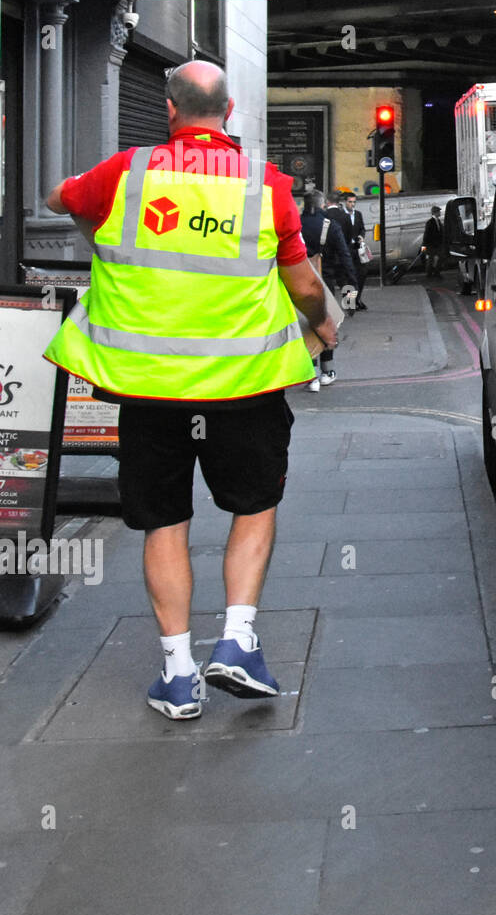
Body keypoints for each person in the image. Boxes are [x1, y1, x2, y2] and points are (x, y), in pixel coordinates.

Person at [43, 61, 336, 721]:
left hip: (152, 393)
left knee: (165, 522)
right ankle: (236, 641)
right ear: (227, 112)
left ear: (169, 111)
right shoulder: (267, 187)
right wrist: (325, 328)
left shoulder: (125, 174)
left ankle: (179, 678)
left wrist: (79, 206)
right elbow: (304, 287)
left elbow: (64, 200)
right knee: (254, 506)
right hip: (245, 389)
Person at [300, 191, 357, 390]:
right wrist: (351, 294)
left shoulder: (295, 225)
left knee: (306, 326)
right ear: (323, 205)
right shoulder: (330, 226)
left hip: (299, 283)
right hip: (325, 282)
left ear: (304, 205)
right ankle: (327, 371)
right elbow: (345, 258)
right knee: (326, 324)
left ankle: (311, 374)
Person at [339, 191, 369, 309]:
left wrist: (361, 236)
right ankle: (349, 302)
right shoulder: (341, 215)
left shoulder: (358, 214)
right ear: (345, 202)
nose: (352, 204)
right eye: (350, 202)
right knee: (348, 276)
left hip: (357, 248)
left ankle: (357, 298)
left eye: (354, 202)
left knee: (361, 273)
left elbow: (362, 228)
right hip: (346, 248)